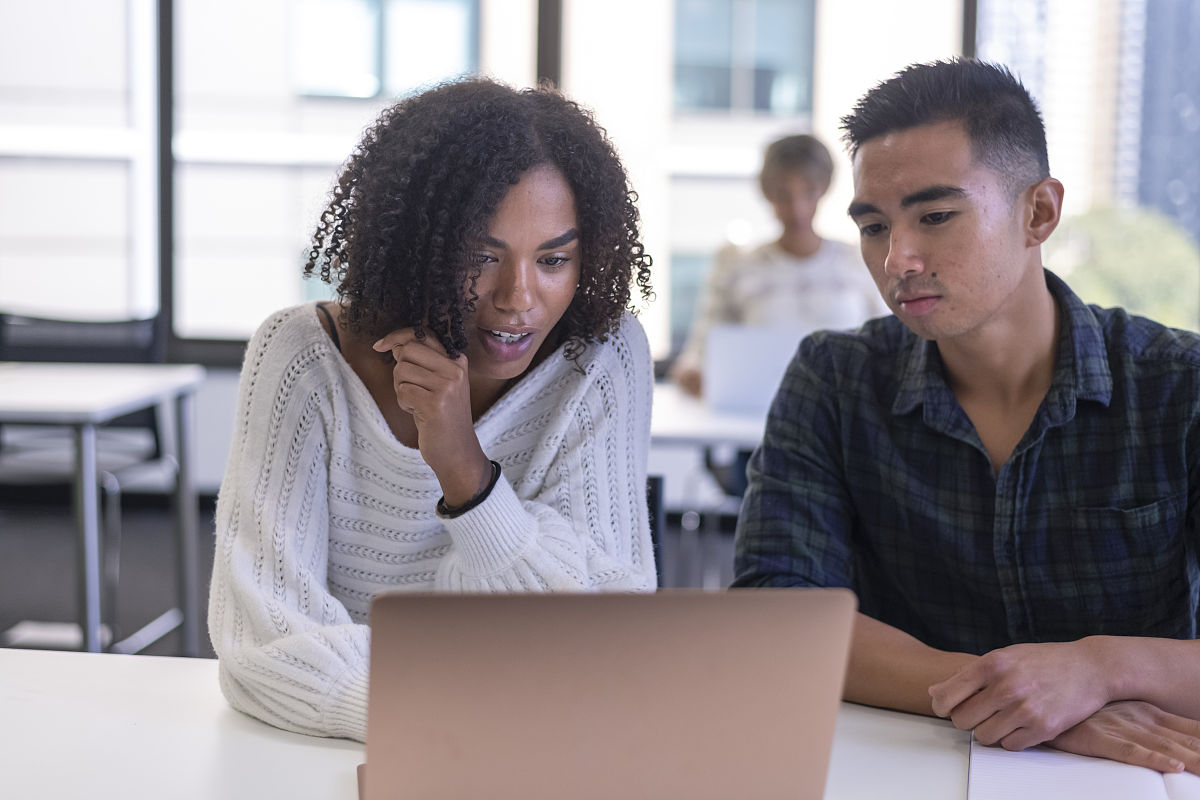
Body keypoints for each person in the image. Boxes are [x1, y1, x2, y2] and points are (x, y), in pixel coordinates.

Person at [733, 58, 1200, 775]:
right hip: (901, 766)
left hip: (1134, 775)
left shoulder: (1179, 386)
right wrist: (1020, 700)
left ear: (1038, 212)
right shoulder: (833, 378)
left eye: (936, 216)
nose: (898, 259)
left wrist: (1099, 670)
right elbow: (775, 621)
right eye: (872, 226)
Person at [208, 78, 657, 742]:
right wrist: (440, 722)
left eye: (554, 258)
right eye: (481, 257)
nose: (518, 297)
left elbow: (613, 629)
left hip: (542, 758)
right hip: (352, 750)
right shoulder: (302, 358)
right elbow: (261, 635)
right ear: (420, 245)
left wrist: (467, 476)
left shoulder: (601, 356)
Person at [670, 133, 886, 398]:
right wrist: (692, 372)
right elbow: (700, 348)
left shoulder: (858, 261)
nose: (797, 208)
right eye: (783, 194)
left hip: (847, 413)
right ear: (767, 192)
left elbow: (888, 344)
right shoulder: (736, 266)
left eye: (808, 193)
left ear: (823, 188)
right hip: (756, 419)